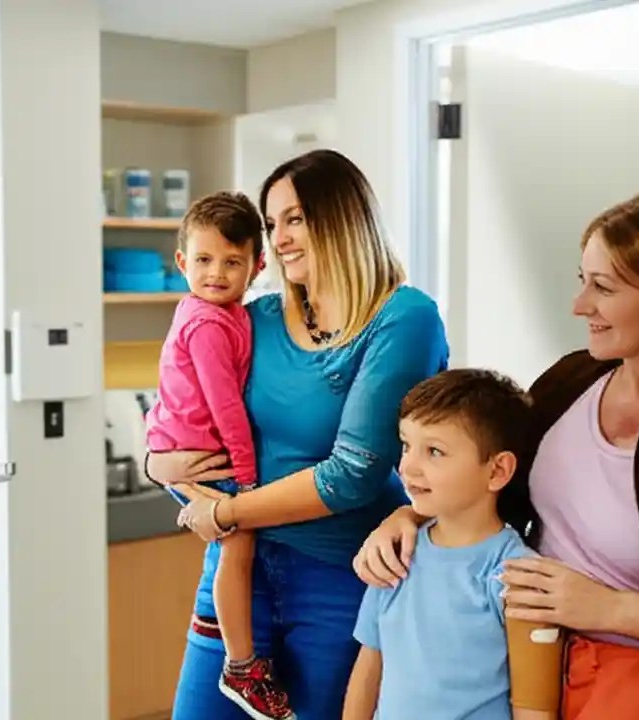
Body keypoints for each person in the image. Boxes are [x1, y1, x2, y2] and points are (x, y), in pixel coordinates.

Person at [353, 187, 639, 720]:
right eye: (584, 281)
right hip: (519, 649)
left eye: (603, 287)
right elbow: (487, 473)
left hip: (628, 676)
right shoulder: (570, 380)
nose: (581, 306)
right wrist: (408, 515)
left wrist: (610, 608)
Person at [146, 149, 450, 719]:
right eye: (271, 222)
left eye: (295, 219)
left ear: (343, 218)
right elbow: (184, 408)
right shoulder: (251, 317)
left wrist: (229, 514)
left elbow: (352, 475)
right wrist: (157, 464)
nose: (279, 238)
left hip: (338, 577)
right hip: (237, 572)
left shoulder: (402, 318)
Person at [143, 192, 289, 718]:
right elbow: (226, 404)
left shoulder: (229, 316)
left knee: (236, 543)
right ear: (182, 262)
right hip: (198, 454)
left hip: (180, 447)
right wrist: (248, 481)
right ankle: (241, 664)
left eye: (232, 262)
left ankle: (241, 660)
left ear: (257, 265)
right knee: (239, 539)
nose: (216, 274)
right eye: (203, 261)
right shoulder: (207, 322)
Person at [342, 368, 556, 720]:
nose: (408, 466)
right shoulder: (395, 555)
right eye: (407, 445)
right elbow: (368, 670)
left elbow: (535, 710)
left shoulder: (520, 576)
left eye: (435, 451)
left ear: (497, 471)